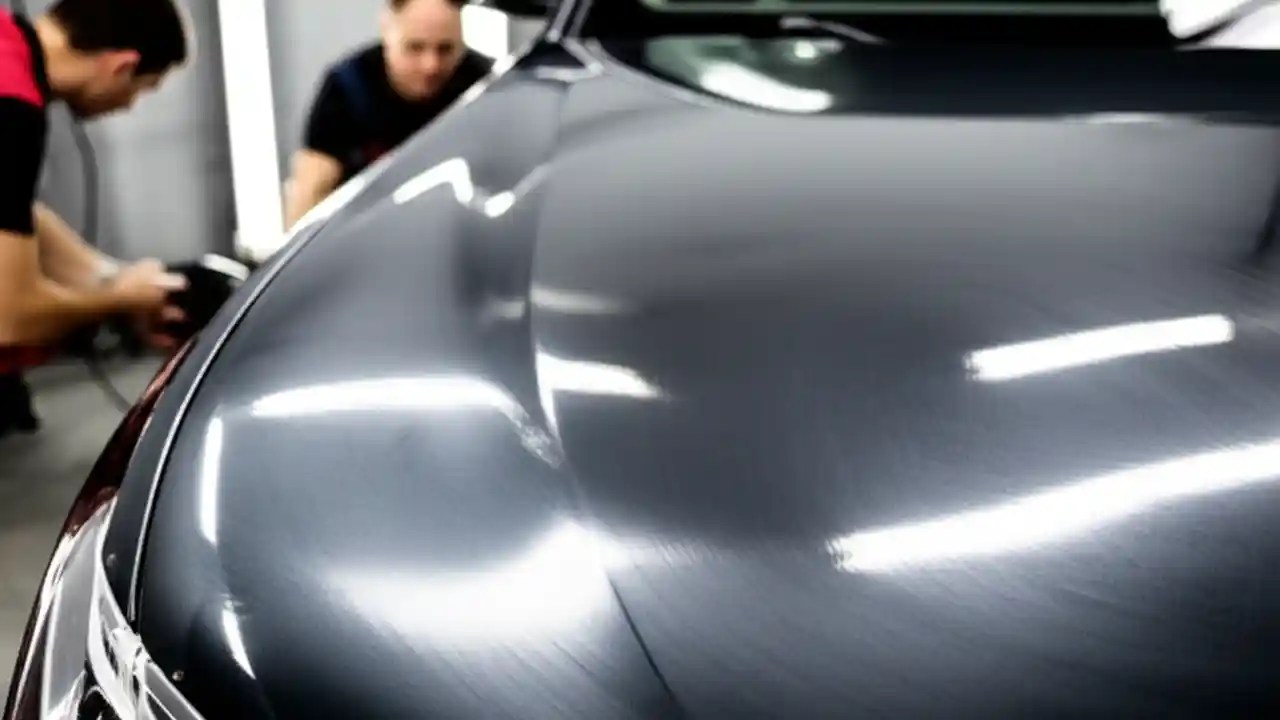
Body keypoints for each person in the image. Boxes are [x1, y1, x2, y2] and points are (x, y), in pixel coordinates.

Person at [0, 0, 191, 435]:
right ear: (123, 65)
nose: (129, 106)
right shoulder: (11, 105)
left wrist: (113, 278)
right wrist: (122, 300)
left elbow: (12, 210)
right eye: (143, 89)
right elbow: (9, 318)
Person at [284, 0, 493, 228]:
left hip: (455, 228)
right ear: (387, 32)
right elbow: (310, 190)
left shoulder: (485, 83)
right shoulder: (347, 87)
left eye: (445, 49)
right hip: (364, 230)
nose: (430, 66)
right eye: (415, 47)